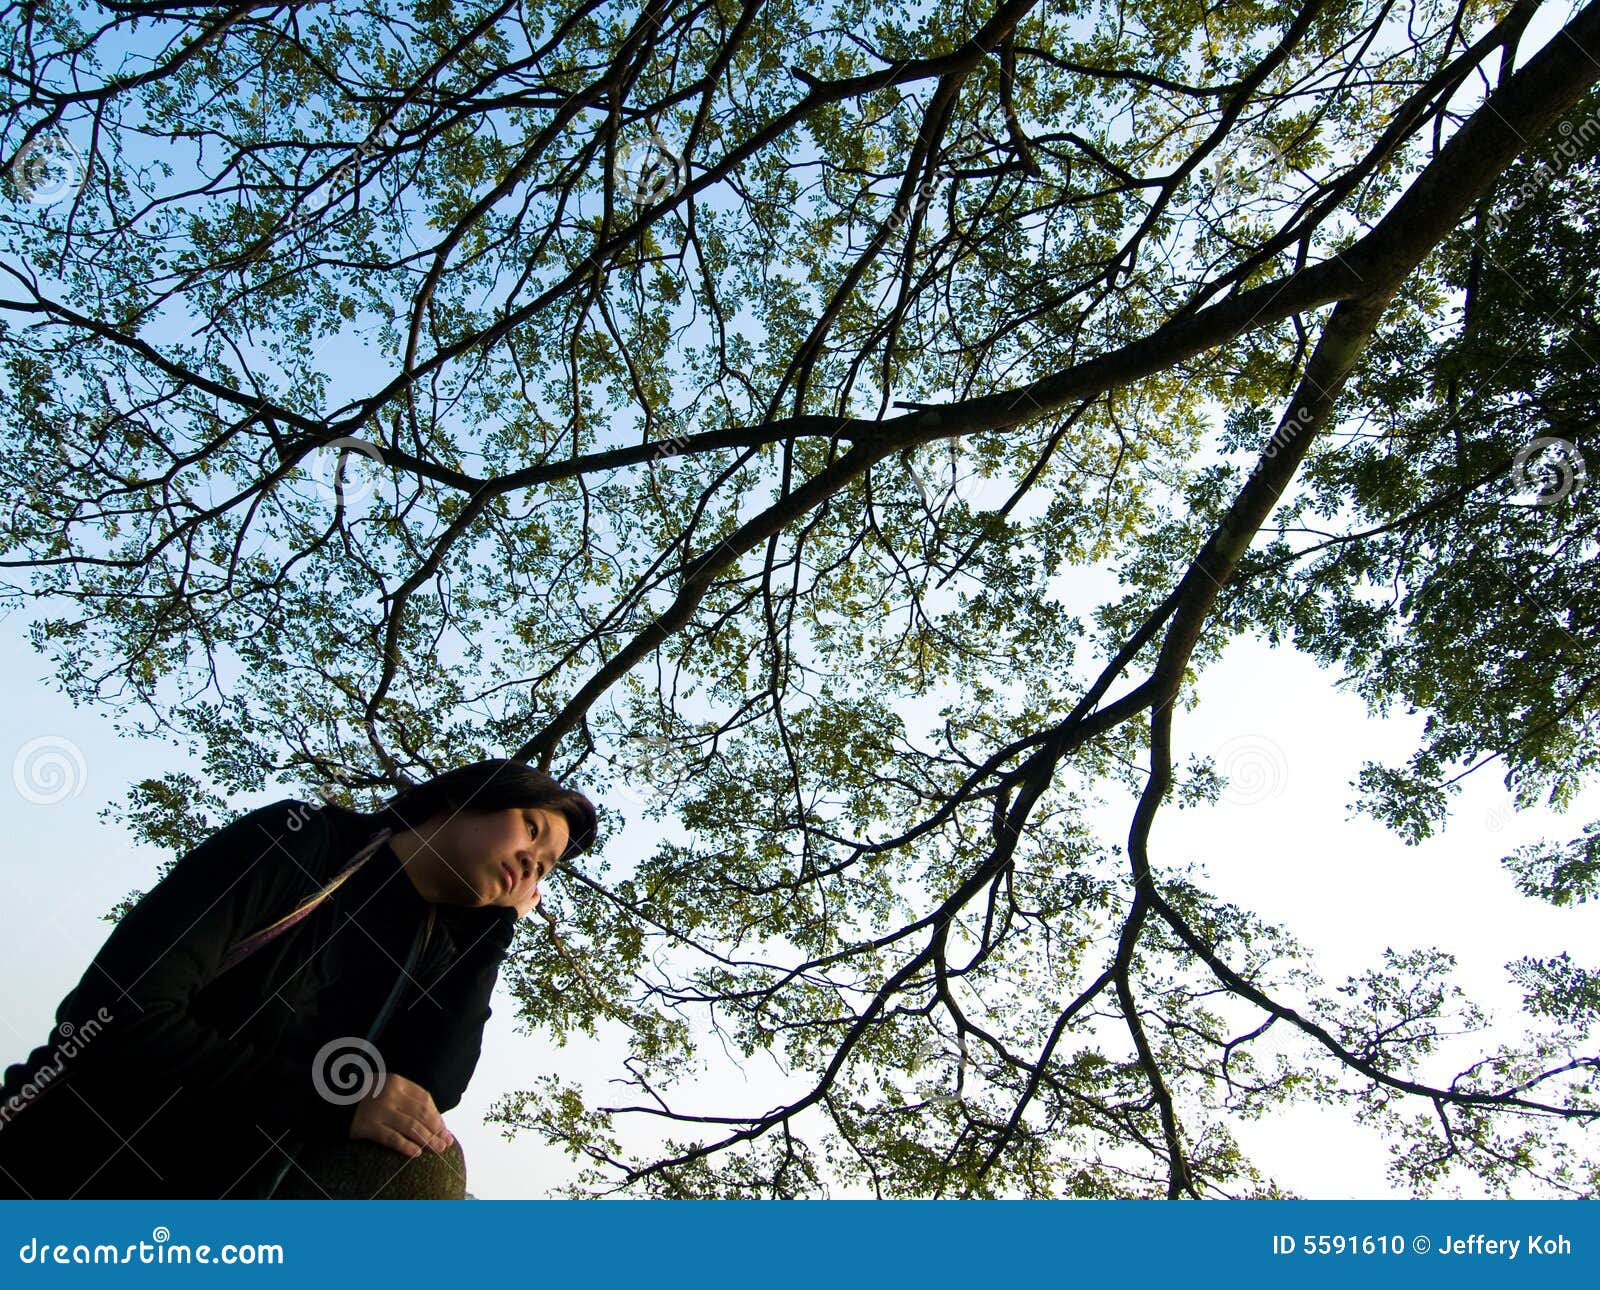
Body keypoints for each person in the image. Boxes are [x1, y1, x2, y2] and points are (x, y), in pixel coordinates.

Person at [0, 758, 597, 1199]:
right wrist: (326, 1103)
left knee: (423, 1167)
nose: (531, 865)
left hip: (219, 1201)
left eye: (543, 868)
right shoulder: (308, 844)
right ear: (468, 798)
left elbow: (426, 1099)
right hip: (62, 1164)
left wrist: (492, 933)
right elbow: (114, 1014)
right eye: (531, 830)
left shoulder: (433, 952)